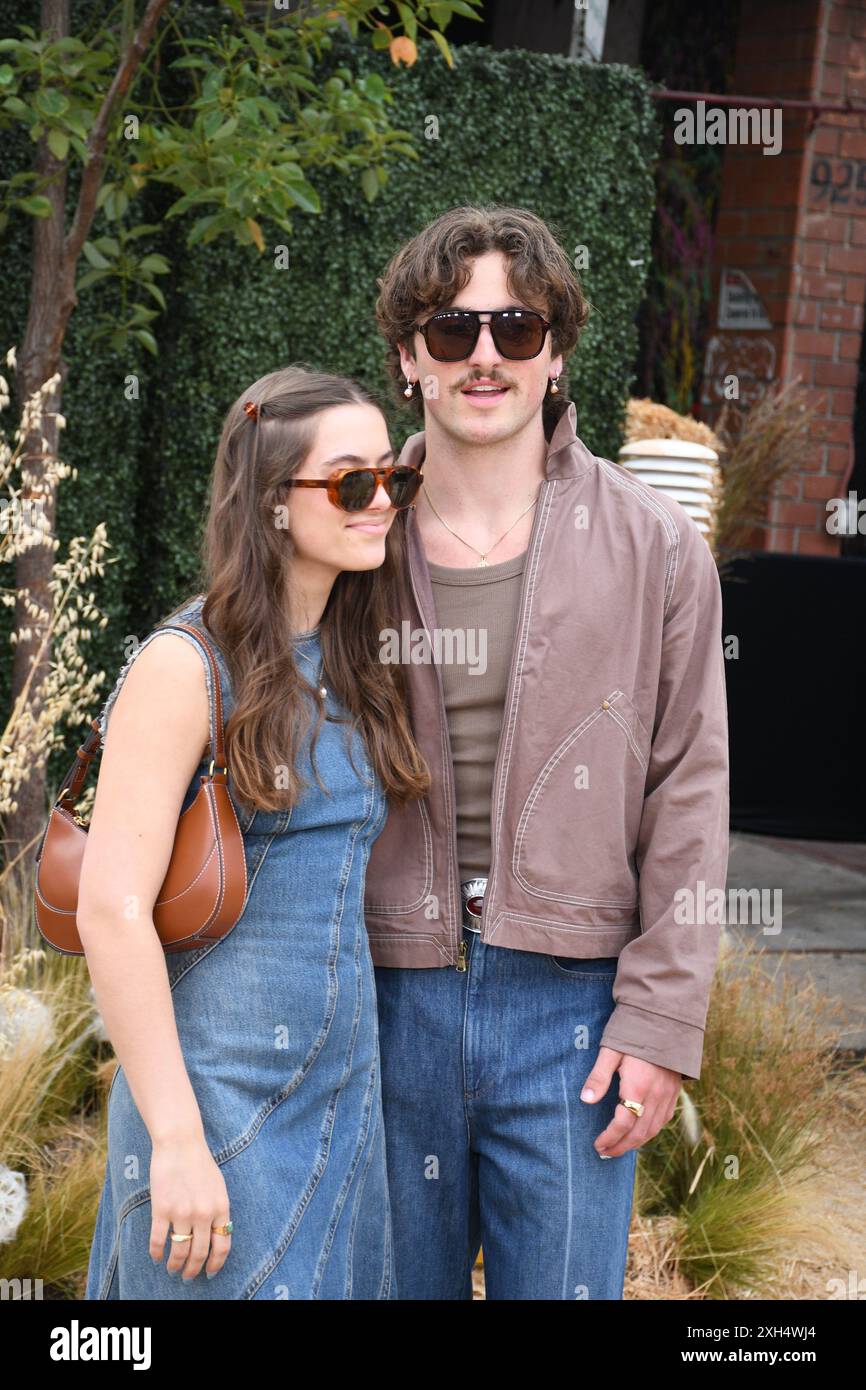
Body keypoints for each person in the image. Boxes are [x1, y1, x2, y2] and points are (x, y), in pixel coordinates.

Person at [364, 205, 730, 1300]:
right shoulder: (347, 531)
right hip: (385, 1001)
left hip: (572, 1018)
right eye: (450, 329)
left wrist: (661, 1019)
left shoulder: (653, 545)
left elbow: (689, 793)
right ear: (405, 357)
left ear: (555, 350)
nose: (483, 355)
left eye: (514, 329)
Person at [81, 365, 428, 1299]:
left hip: (337, 1103)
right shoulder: (184, 663)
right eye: (353, 481)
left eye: (396, 478)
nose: (383, 500)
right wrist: (179, 1143)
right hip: (212, 1109)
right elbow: (110, 913)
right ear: (274, 505)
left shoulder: (353, 660)